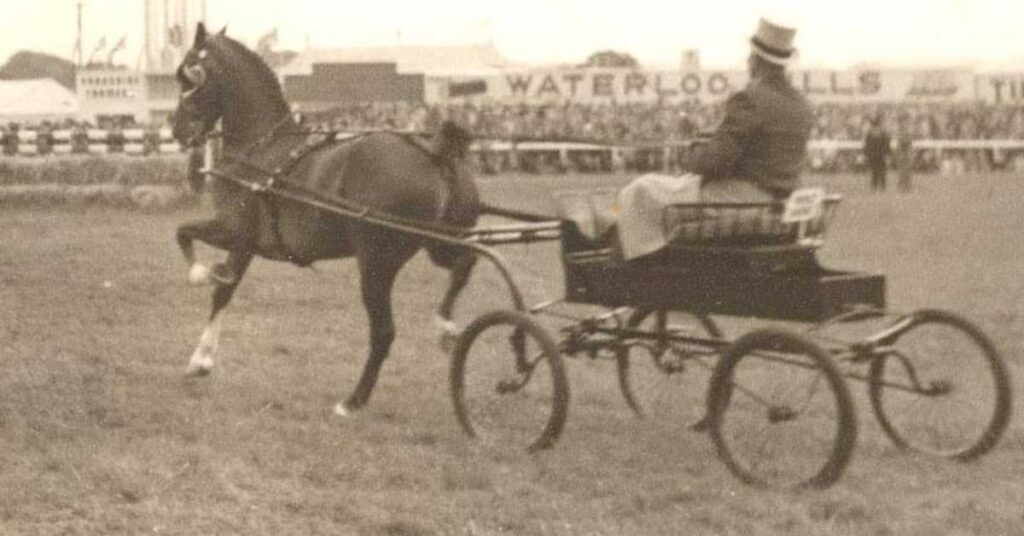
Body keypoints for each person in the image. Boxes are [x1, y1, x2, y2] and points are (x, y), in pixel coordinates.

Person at [613, 17, 814, 260]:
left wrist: (694, 153)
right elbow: (763, 150)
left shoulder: (750, 98)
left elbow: (713, 163)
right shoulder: (802, 105)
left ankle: (641, 266)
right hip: (780, 203)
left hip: (739, 201)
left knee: (640, 190)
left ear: (755, 60)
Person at [863, 116, 891, 192]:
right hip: (875, 156)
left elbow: (887, 145)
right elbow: (867, 146)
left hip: (879, 155)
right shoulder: (872, 134)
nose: (876, 128)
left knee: (880, 171)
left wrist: (887, 154)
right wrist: (866, 154)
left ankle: (881, 187)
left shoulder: (882, 134)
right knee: (875, 171)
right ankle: (876, 186)